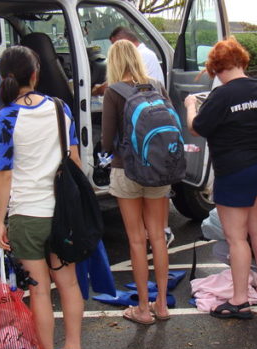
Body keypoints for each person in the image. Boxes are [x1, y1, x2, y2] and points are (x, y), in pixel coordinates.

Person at [0, 45, 85, 349]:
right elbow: (74, 160)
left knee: (39, 290)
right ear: (35, 74)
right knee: (70, 285)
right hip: (62, 214)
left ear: (5, 76)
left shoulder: (6, 117)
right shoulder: (61, 108)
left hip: (27, 217)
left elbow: (4, 173)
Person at [184, 36, 257, 319]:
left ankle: (239, 300)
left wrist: (191, 106)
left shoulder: (222, 95)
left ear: (215, 67)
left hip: (234, 170)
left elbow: (198, 128)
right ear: (241, 61)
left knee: (236, 238)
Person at [101, 40, 171, 324]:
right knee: (158, 236)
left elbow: (107, 141)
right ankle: (162, 305)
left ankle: (143, 308)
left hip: (126, 170)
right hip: (158, 168)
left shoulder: (113, 91)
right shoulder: (156, 85)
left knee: (136, 240)